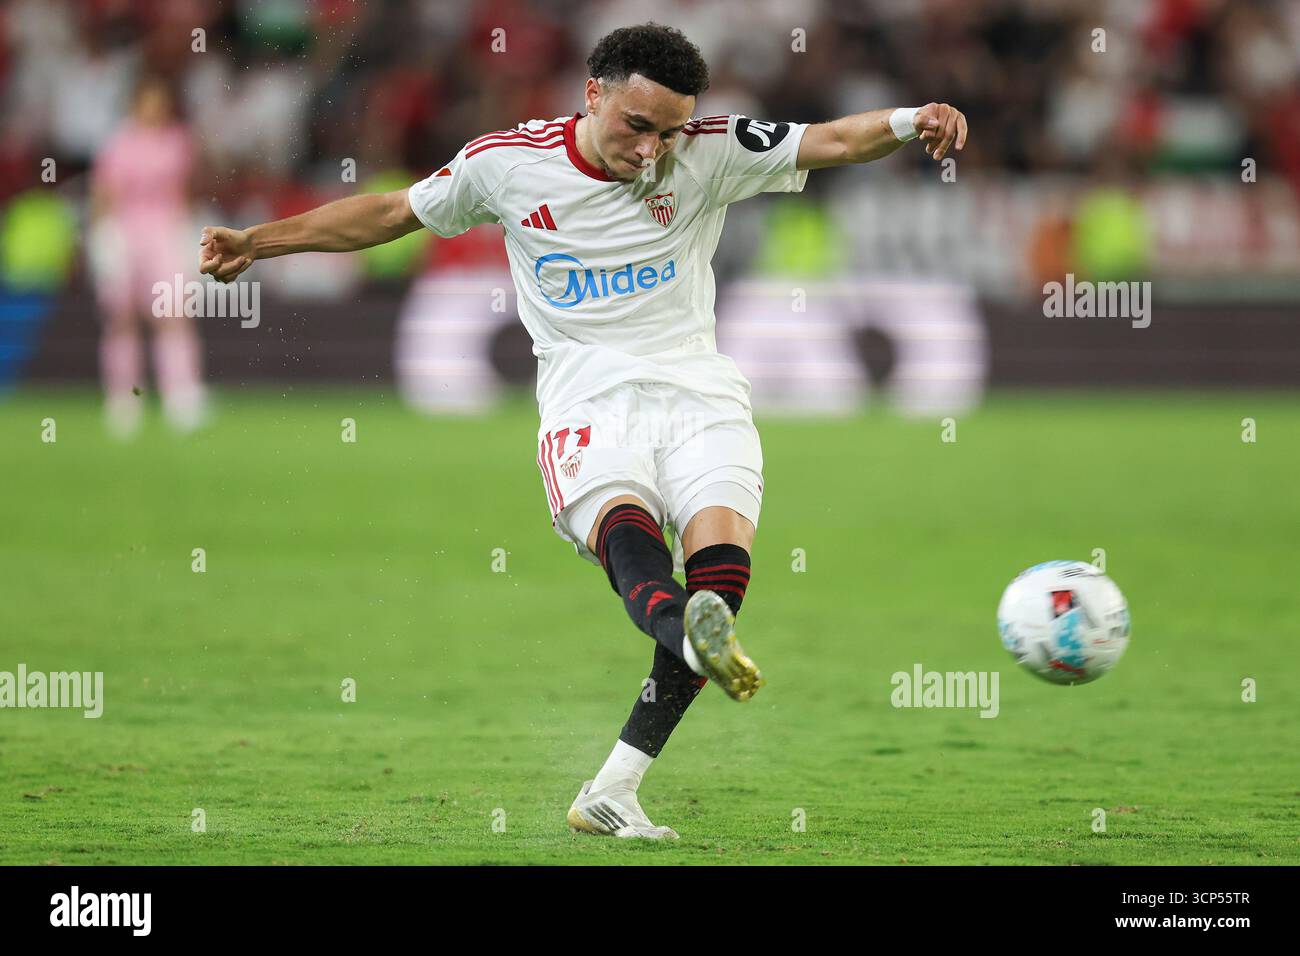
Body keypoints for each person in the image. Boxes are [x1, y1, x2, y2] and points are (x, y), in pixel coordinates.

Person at [198, 23, 967, 839]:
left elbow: (832, 141)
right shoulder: (507, 162)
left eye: (670, 130)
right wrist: (258, 241)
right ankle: (684, 637)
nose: (654, 149)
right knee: (640, 556)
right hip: (588, 403)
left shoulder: (709, 148)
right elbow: (391, 213)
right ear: (593, 94)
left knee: (721, 581)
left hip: (700, 392)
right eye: (639, 126)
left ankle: (616, 786)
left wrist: (911, 117)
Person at [92, 74, 206, 436]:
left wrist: (190, 232)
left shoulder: (177, 142)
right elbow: (105, 194)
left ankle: (182, 394)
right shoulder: (118, 144)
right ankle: (123, 398)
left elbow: (187, 190)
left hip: (167, 234)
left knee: (173, 315)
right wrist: (103, 237)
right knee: (122, 317)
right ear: (135, 104)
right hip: (125, 233)